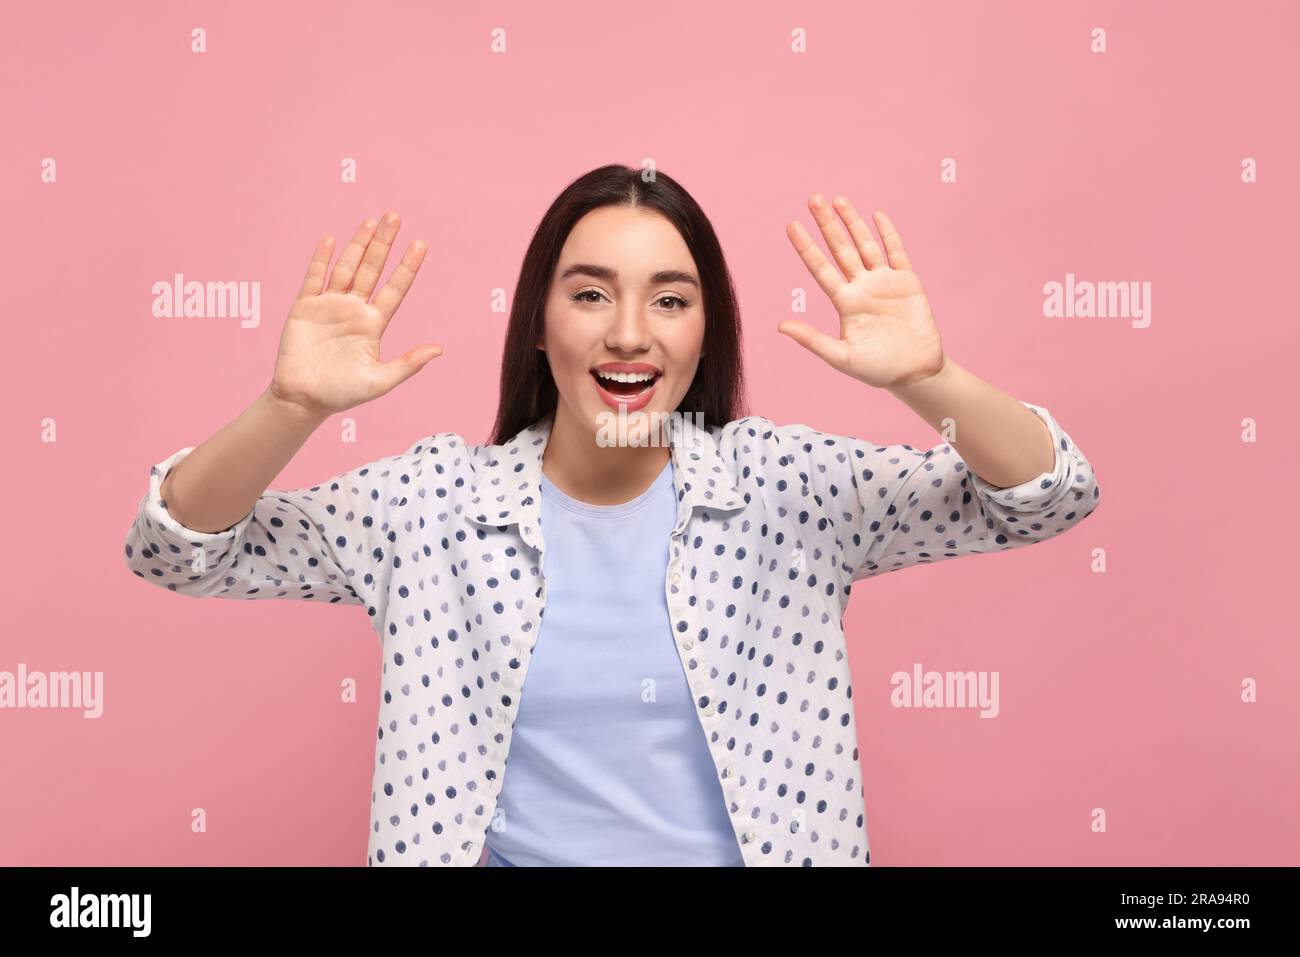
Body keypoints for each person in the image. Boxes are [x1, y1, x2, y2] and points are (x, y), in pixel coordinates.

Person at [123, 164, 1101, 867]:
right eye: (589, 293)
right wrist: (289, 410)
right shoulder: (431, 506)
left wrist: (931, 383)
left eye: (669, 300)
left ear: (701, 330)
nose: (628, 331)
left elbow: (1045, 496)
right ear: (540, 327)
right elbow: (178, 551)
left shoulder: (787, 490)